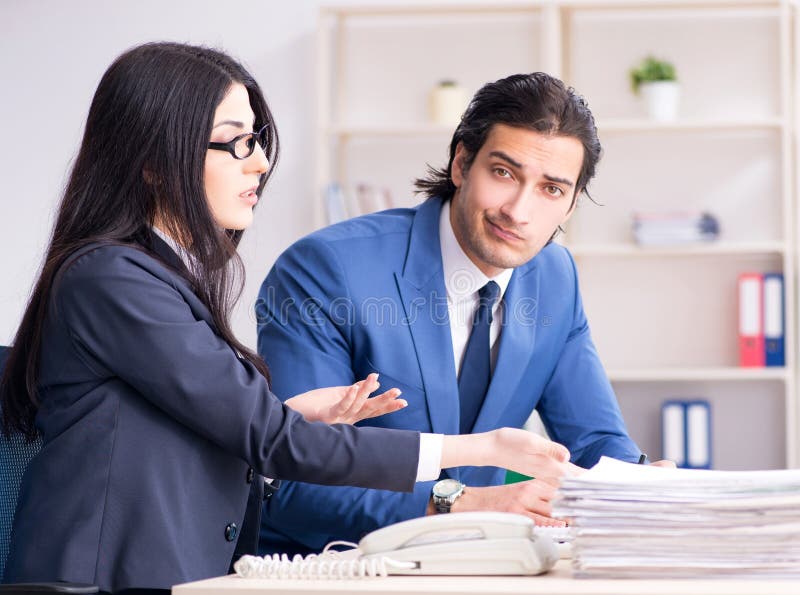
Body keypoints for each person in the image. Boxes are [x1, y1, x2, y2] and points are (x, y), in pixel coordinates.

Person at [0, 45, 576, 594]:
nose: (261, 162)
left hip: (165, 573)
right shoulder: (112, 279)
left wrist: (289, 414)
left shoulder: (156, 274)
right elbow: (271, 441)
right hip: (99, 580)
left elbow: (198, 429)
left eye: (256, 140)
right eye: (235, 144)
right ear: (153, 161)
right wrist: (478, 450)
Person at [256, 72, 671, 557]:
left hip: (479, 564)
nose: (519, 211)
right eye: (504, 173)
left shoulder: (555, 277)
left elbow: (595, 442)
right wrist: (462, 503)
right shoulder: (327, 270)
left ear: (572, 203)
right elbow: (292, 477)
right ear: (461, 163)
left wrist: (642, 488)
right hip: (329, 565)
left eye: (551, 190)